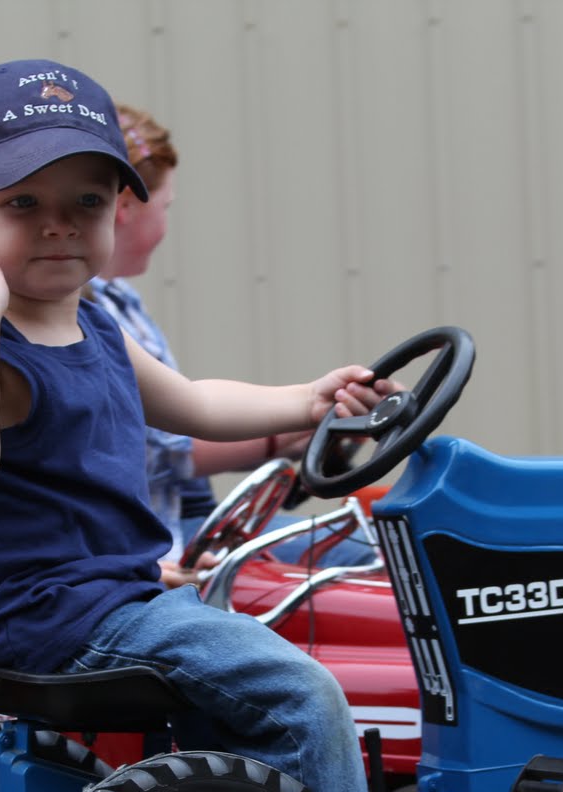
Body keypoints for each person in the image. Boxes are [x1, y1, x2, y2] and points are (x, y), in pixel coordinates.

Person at [0, 57, 440, 792]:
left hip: (109, 596)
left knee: (232, 693)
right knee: (306, 694)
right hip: (60, 617)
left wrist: (306, 400)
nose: (60, 222)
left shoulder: (96, 320)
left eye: (88, 199)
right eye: (22, 202)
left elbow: (190, 404)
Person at [86, 103, 377, 575]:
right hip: (149, 546)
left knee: (363, 540)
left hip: (177, 518)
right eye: (166, 208)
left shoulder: (119, 301)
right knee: (361, 562)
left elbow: (187, 406)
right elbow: (162, 444)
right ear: (125, 207)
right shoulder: (81, 315)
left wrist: (309, 414)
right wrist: (284, 434)